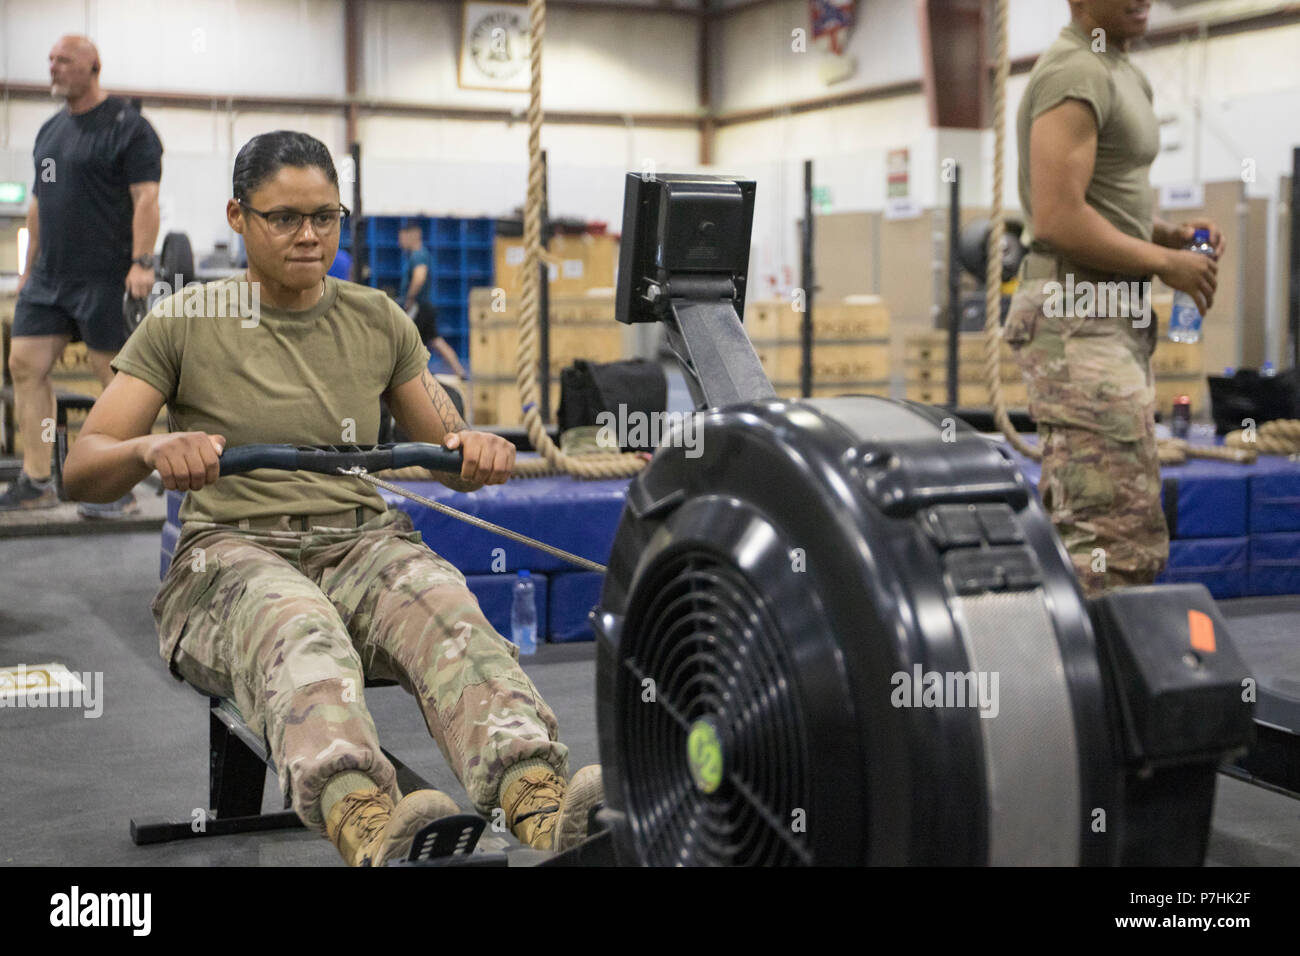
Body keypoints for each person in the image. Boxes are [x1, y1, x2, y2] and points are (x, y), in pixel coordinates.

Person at [62, 130, 601, 866]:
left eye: (325, 216)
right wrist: (150, 448)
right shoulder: (183, 322)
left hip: (362, 544)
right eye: (284, 217)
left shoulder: (377, 319)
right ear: (238, 216)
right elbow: (83, 468)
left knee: (446, 607)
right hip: (231, 556)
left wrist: (474, 450)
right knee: (297, 622)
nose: (309, 235)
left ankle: (539, 802)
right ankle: (367, 822)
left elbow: (447, 448)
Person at [1003, 0, 1224, 597]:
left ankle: (1086, 674)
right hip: (1075, 314)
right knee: (1111, 536)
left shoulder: (1124, 71)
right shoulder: (1075, 73)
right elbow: (1054, 217)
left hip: (1109, 315)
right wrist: (1167, 264)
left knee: (1108, 515)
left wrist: (1165, 234)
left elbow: (1100, 200)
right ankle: (1092, 684)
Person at [2, 34, 162, 517]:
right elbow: (39, 204)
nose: (53, 67)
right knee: (25, 365)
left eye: (64, 60)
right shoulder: (50, 133)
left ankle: (117, 488)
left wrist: (142, 262)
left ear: (93, 66)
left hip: (105, 275)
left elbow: (146, 199)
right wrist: (28, 268)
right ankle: (37, 478)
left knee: (114, 381)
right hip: (50, 277)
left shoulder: (128, 128)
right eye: (50, 59)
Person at [398, 223, 468, 379]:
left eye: (402, 237)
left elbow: (419, 277)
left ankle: (414, 377)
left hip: (418, 308)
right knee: (435, 340)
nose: (400, 242)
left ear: (413, 235)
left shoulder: (418, 256)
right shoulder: (420, 254)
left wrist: (409, 298)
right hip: (424, 307)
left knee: (406, 340)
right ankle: (459, 371)